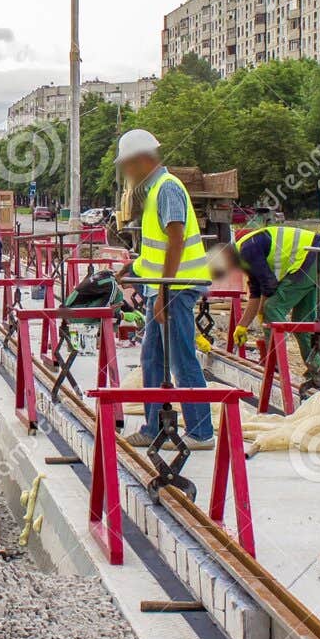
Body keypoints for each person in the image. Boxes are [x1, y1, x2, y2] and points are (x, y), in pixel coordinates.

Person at [114, 128, 214, 450]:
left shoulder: (167, 187)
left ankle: (201, 432)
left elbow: (176, 240)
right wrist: (134, 268)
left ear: (142, 159)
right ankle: (153, 427)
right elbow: (157, 251)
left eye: (128, 165)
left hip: (177, 288)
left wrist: (165, 293)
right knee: (152, 358)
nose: (126, 172)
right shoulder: (154, 190)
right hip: (162, 288)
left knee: (182, 359)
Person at [212, 224, 320, 395]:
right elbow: (256, 292)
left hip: (311, 257)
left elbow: (269, 286)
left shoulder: (247, 251)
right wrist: (242, 325)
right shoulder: (246, 253)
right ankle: (318, 377)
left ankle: (276, 366)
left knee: (272, 307)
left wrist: (265, 314)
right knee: (302, 323)